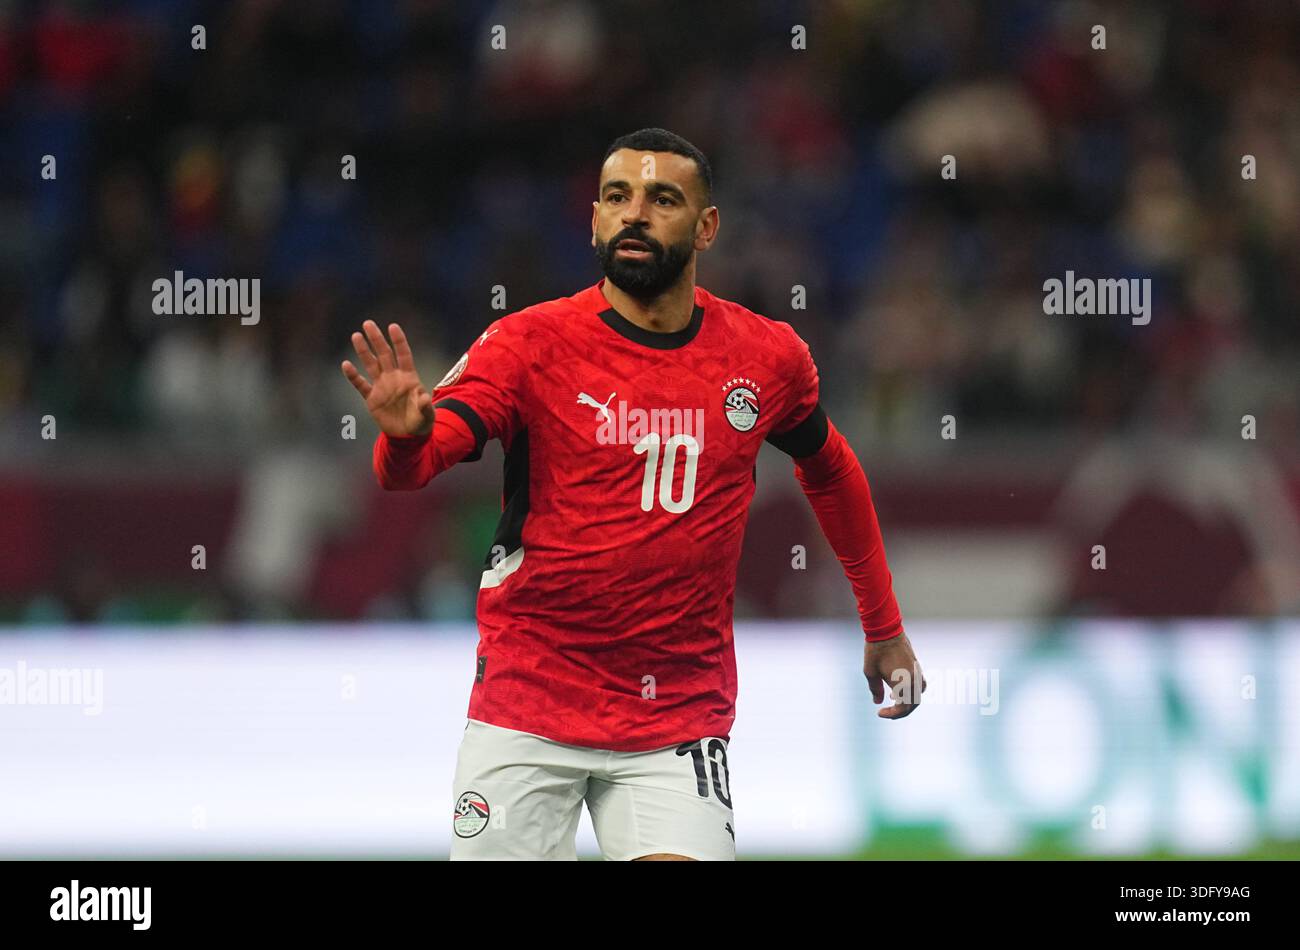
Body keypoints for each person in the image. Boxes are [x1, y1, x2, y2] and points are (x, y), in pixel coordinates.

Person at [341, 128, 925, 861]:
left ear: (706, 228)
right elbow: (414, 467)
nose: (635, 214)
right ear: (594, 219)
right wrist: (401, 436)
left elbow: (831, 469)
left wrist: (883, 625)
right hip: (529, 702)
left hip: (676, 717)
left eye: (663, 199)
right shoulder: (528, 345)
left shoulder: (766, 357)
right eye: (617, 197)